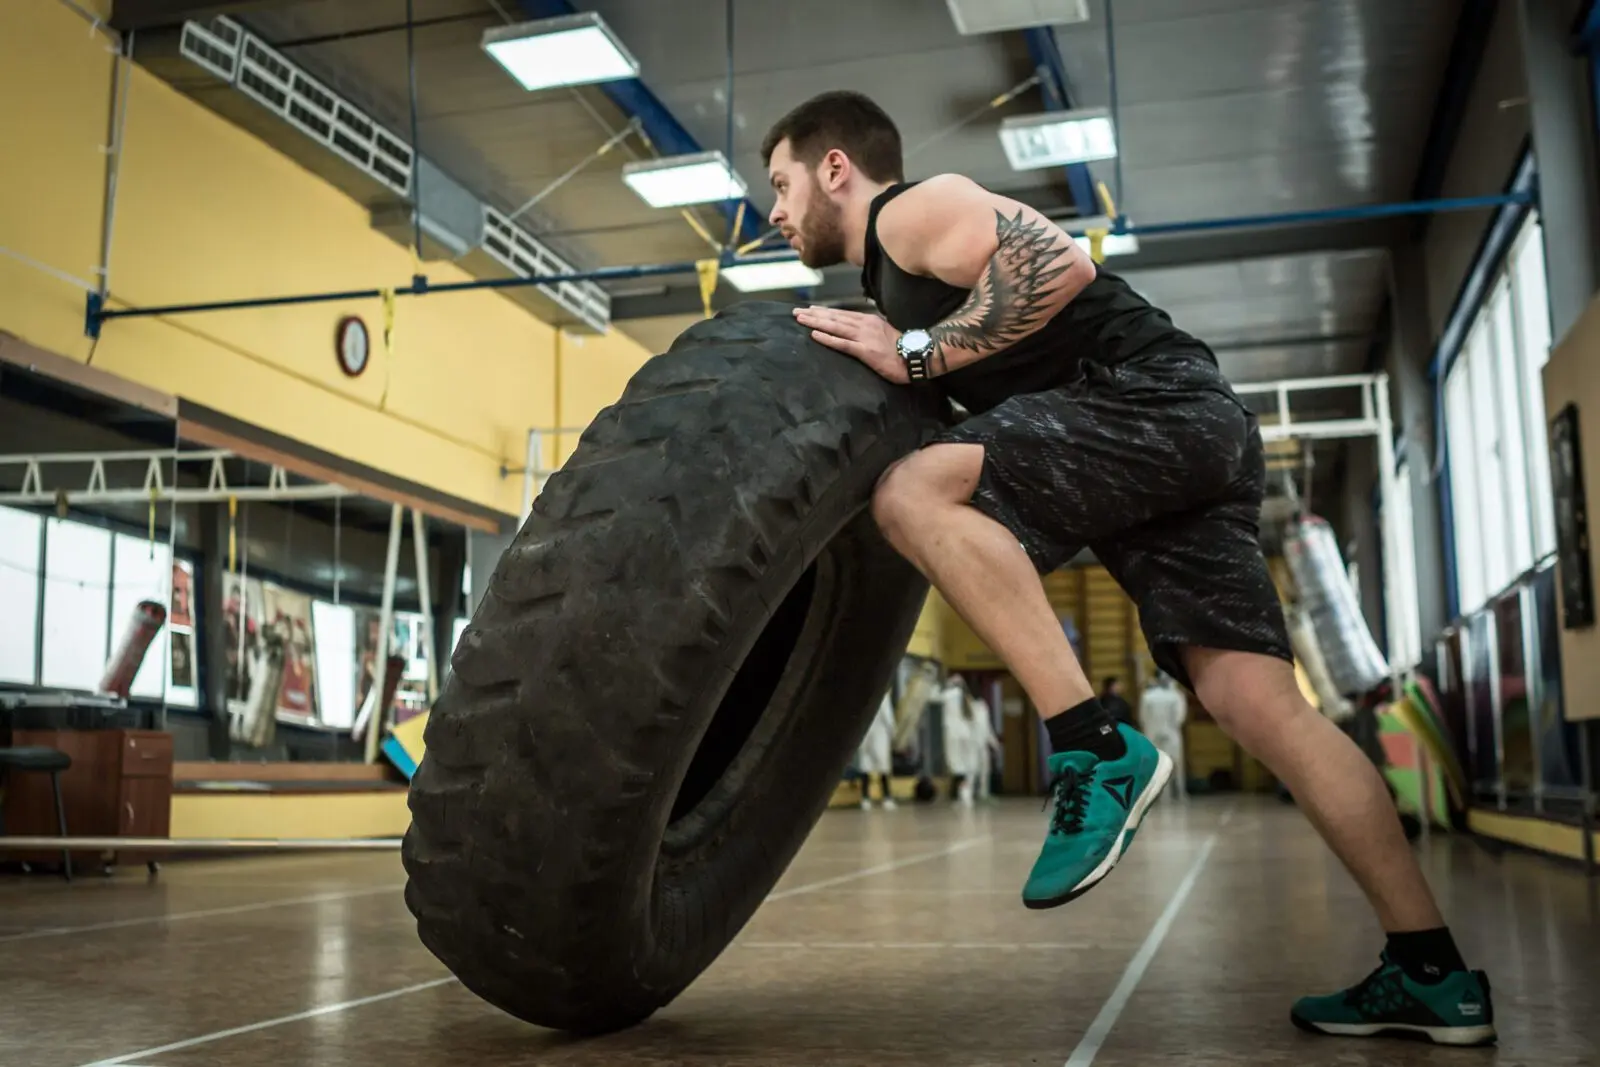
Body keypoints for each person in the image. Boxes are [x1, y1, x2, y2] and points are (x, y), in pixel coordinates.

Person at [760, 90, 1495, 1046]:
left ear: (834, 168)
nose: (773, 213)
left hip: (1150, 402)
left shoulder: (909, 214)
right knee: (1259, 704)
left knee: (912, 496)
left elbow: (1060, 264)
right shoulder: (890, 281)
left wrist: (919, 350)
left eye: (779, 185)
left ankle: (1093, 743)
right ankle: (1431, 967)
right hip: (1186, 443)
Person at [1138, 671, 1188, 801]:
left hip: (1152, 732)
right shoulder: (1176, 695)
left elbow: (1142, 717)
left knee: (1155, 765)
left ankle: (1155, 795)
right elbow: (1179, 717)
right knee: (1176, 762)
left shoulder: (1147, 696)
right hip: (1171, 732)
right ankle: (1179, 791)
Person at [857, 691, 897, 810]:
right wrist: (894, 734)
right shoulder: (883, 697)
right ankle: (887, 797)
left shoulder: (863, 697)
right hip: (880, 736)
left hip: (867, 736)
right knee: (883, 767)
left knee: (866, 767)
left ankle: (865, 798)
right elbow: (888, 718)